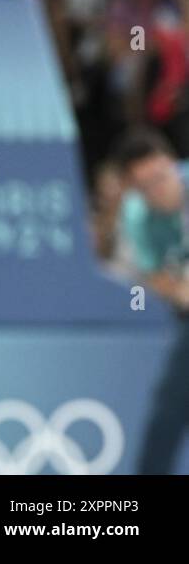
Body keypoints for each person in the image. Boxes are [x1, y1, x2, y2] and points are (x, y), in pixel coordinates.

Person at [110, 130, 189, 474]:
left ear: (173, 164)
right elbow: (155, 277)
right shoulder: (136, 214)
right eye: (145, 186)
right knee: (170, 406)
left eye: (161, 178)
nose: (158, 191)